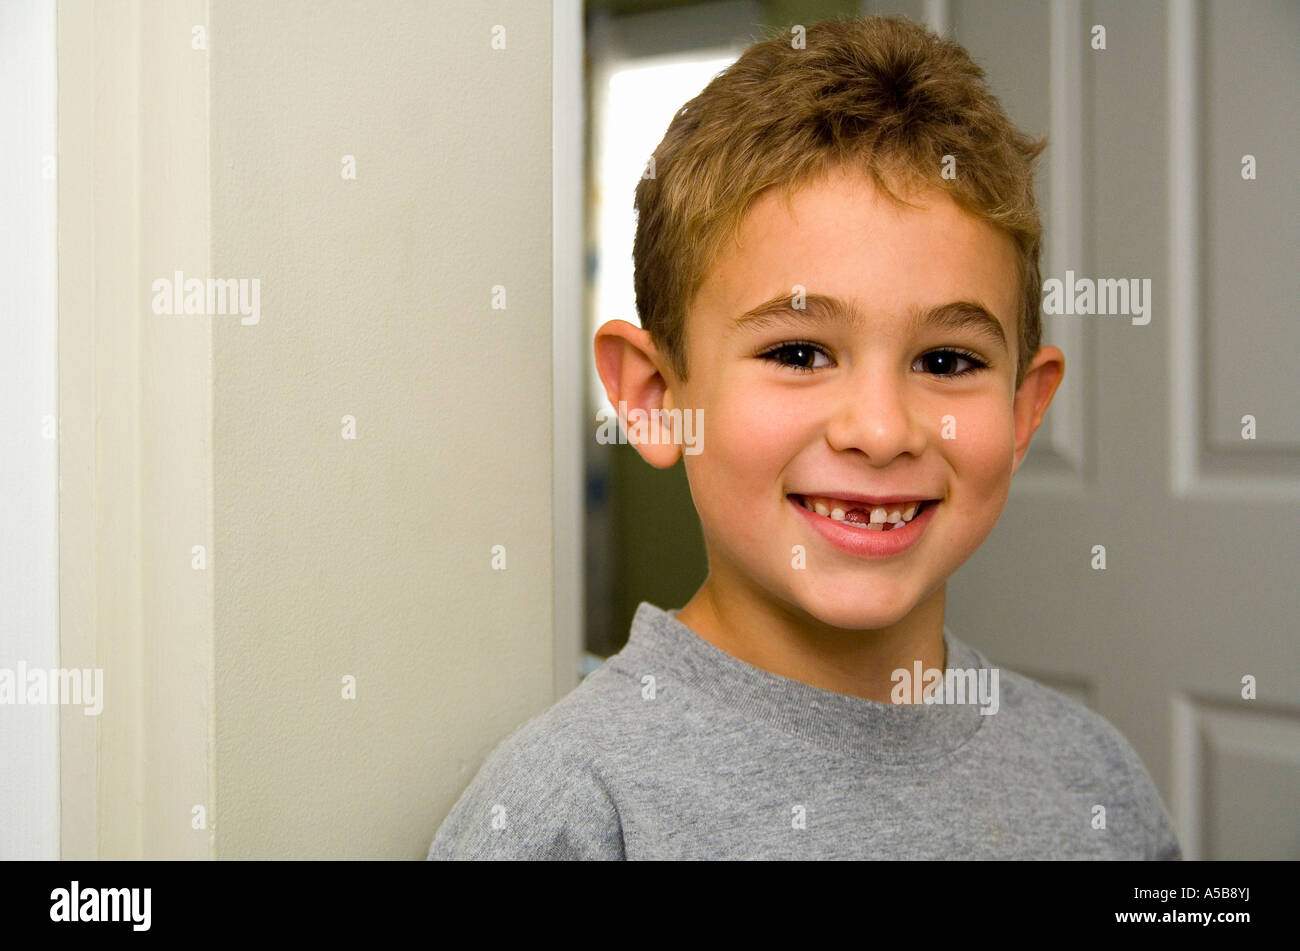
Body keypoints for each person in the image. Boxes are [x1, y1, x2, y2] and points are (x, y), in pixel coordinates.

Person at [427, 14, 1181, 860]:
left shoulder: (1097, 783)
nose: (881, 430)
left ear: (1021, 412)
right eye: (797, 352)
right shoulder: (574, 811)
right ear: (652, 397)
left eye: (946, 359)